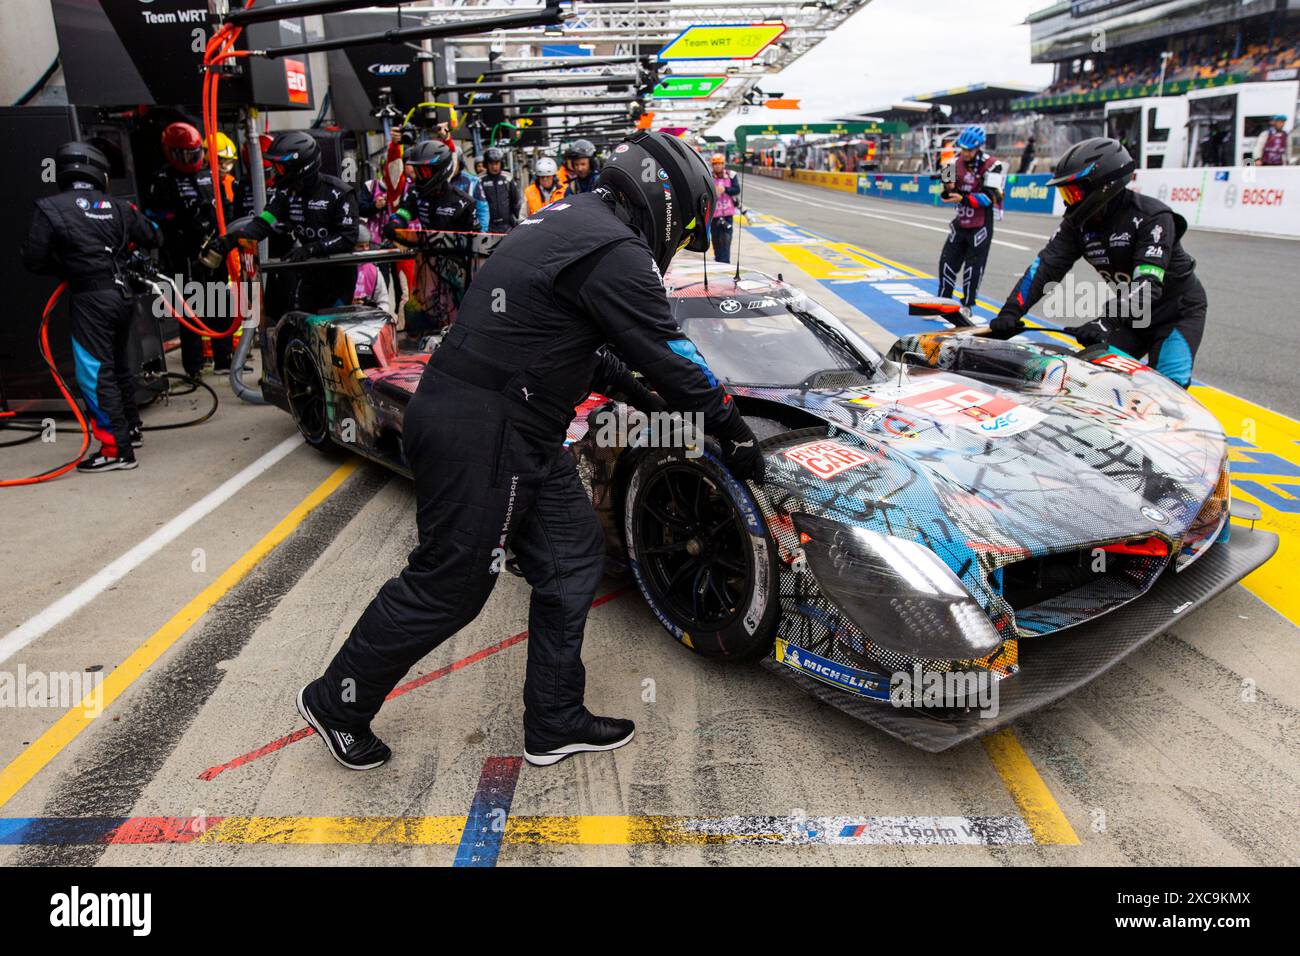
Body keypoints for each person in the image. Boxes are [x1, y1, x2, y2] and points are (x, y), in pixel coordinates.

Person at [295, 131, 765, 770]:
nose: (676, 245)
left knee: (573, 561)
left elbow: (567, 343)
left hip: (514, 423)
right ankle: (336, 702)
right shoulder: (616, 251)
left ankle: (553, 721)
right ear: (667, 202)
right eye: (682, 231)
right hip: (485, 428)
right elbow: (670, 354)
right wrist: (731, 428)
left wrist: (638, 395)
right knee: (451, 587)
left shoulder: (569, 220)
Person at [989, 137, 1206, 388]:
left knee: (1168, 389)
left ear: (1104, 185)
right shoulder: (1076, 225)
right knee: (1085, 378)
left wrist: (1105, 321)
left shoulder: (1153, 218)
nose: (1068, 201)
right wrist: (1010, 313)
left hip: (1176, 314)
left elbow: (1148, 285)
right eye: (1064, 193)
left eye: (1073, 192)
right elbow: (1045, 267)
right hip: (1131, 317)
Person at [22, 142, 161, 472]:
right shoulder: (120, 207)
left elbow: (33, 259)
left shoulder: (50, 207)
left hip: (90, 299)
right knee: (121, 366)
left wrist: (69, 269)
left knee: (96, 374)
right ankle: (130, 430)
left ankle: (116, 450)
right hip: (123, 296)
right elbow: (155, 237)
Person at [206, 130, 360, 315]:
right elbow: (263, 223)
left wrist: (311, 249)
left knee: (334, 329)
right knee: (301, 323)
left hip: (339, 274)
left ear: (301, 167)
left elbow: (348, 237)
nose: (276, 172)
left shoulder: (338, 192)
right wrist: (231, 240)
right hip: (309, 272)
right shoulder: (285, 193)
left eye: (280, 167)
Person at [147, 121, 232, 375]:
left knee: (220, 305)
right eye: (184, 154)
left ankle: (224, 361)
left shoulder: (209, 175)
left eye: (194, 153)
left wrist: (216, 223)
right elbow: (153, 216)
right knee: (189, 310)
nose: (190, 158)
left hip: (213, 251)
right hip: (182, 254)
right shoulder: (161, 179)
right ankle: (194, 366)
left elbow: (226, 209)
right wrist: (182, 217)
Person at [936, 125, 1004, 309]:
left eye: (969, 149)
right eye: (963, 149)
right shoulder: (950, 163)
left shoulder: (994, 165)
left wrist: (963, 198)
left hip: (981, 224)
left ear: (978, 147)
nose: (965, 153)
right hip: (960, 222)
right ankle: (942, 301)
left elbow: (991, 198)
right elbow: (944, 194)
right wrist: (948, 187)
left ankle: (967, 306)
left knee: (973, 268)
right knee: (946, 262)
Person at [480, 146, 521, 233]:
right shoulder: (480, 180)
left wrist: (517, 220)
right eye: (491, 163)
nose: (494, 167)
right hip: (488, 227)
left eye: (497, 163)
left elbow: (516, 202)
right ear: (486, 164)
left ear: (501, 163)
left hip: (507, 226)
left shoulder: (508, 179)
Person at [708, 153, 740, 263]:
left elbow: (737, 189)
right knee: (716, 243)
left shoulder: (731, 175)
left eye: (719, 163)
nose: (717, 166)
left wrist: (725, 189)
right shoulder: (708, 175)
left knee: (726, 243)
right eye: (715, 164)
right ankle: (718, 263)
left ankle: (725, 265)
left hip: (727, 216)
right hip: (714, 216)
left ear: (723, 164)